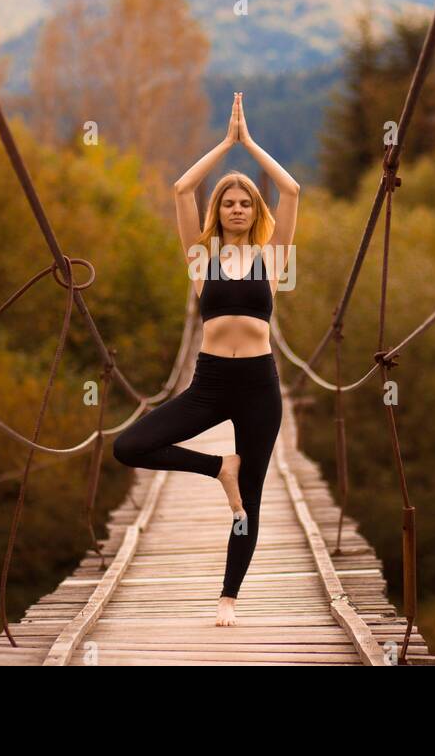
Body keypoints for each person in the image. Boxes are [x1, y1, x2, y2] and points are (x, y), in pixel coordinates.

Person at [113, 92, 300, 627]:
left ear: (254, 211)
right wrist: (224, 144)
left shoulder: (273, 258)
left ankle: (228, 599)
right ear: (217, 212)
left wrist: (251, 143)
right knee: (131, 445)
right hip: (211, 383)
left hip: (260, 386)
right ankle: (220, 467)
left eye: (244, 203)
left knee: (254, 500)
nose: (236, 209)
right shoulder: (200, 258)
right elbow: (180, 188)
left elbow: (290, 189)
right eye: (228, 203)